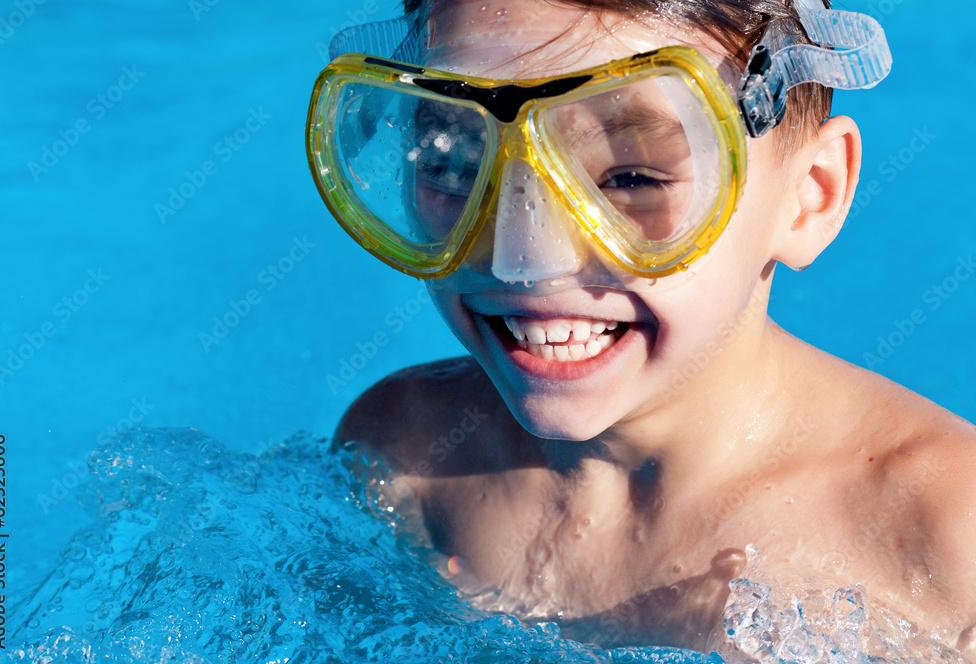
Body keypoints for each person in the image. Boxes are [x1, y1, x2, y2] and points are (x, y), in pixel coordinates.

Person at [307, 0, 976, 655]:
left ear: (810, 195)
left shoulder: (947, 533)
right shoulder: (405, 454)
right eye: (456, 164)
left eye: (630, 177)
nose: (521, 259)